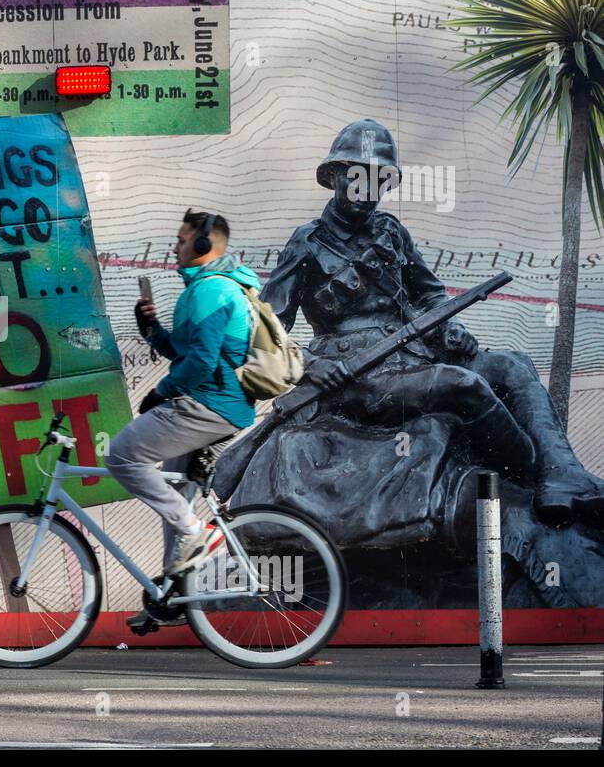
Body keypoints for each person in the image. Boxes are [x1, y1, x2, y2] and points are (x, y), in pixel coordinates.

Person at [256, 118, 604, 527]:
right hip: (358, 375)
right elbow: (268, 328)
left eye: (379, 179)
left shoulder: (390, 231)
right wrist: (315, 368)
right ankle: (530, 480)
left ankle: (564, 477)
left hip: (412, 352)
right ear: (334, 175)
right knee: (465, 386)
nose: (368, 191)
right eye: (357, 177)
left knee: (512, 365)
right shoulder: (307, 243)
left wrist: (447, 326)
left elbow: (428, 294)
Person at [108, 209, 259, 630]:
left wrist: (161, 392)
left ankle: (197, 531)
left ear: (203, 245)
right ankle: (172, 593)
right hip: (218, 405)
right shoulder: (212, 289)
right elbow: (189, 353)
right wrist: (153, 332)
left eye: (180, 239)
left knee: (120, 455)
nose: (174, 246)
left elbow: (203, 362)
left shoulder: (210, 290)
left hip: (209, 405)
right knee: (176, 496)